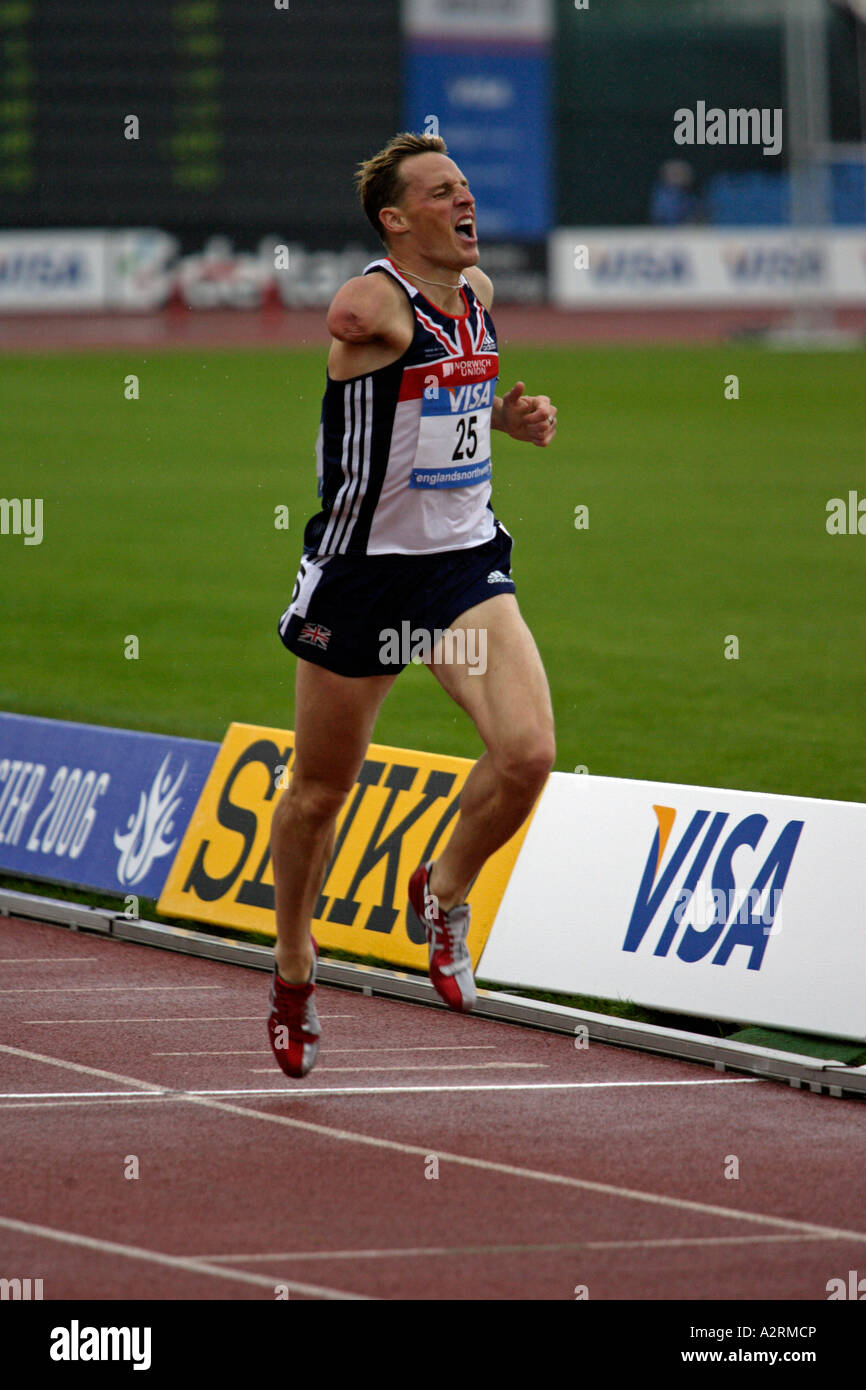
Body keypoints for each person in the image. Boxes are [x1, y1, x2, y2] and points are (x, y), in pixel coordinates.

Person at [267, 132, 557, 1079]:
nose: (464, 200)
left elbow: (446, 408)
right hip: (362, 576)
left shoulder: (476, 296)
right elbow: (349, 314)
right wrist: (369, 299)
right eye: (440, 192)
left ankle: (444, 890)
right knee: (320, 791)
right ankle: (294, 966)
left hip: (458, 570)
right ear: (395, 220)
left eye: (465, 186)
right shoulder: (380, 305)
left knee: (528, 753)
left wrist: (507, 419)